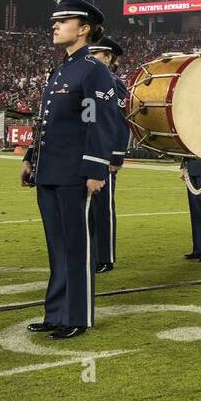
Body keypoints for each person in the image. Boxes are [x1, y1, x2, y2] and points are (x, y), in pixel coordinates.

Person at [20, 0, 122, 340]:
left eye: (63, 21)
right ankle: (56, 312)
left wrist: (96, 170)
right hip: (50, 171)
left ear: (84, 29)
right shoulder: (63, 67)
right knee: (57, 246)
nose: (55, 25)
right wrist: (30, 158)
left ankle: (77, 315)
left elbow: (102, 123)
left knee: (77, 247)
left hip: (76, 173)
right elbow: (47, 121)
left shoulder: (93, 70)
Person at [88, 37, 130, 273]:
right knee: (88, 208)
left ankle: (105, 256)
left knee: (103, 206)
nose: (92, 58)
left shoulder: (114, 82)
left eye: (97, 54)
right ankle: (91, 252)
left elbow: (120, 120)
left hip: (104, 155)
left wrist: (115, 156)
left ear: (108, 57)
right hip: (87, 152)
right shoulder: (89, 80)